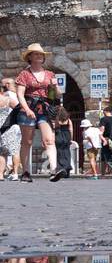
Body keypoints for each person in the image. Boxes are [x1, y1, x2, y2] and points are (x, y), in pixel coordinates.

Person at [15, 43, 58, 181]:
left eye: (41, 54)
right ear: (30, 57)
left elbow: (54, 96)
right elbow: (20, 94)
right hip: (27, 107)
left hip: (43, 109)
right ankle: (26, 172)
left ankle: (54, 170)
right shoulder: (24, 74)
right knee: (27, 141)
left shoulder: (50, 74)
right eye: (36, 54)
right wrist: (27, 110)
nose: (39, 56)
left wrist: (55, 87)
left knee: (49, 140)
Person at [0, 78, 21, 180]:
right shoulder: (8, 98)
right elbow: (18, 107)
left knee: (2, 152)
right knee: (15, 151)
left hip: (1, 128)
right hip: (10, 126)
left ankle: (0, 174)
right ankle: (15, 173)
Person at [48, 106, 74, 182]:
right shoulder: (68, 120)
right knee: (67, 152)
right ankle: (67, 168)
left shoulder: (57, 119)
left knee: (59, 152)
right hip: (67, 135)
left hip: (58, 135)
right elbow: (71, 129)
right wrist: (71, 139)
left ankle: (61, 168)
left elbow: (55, 127)